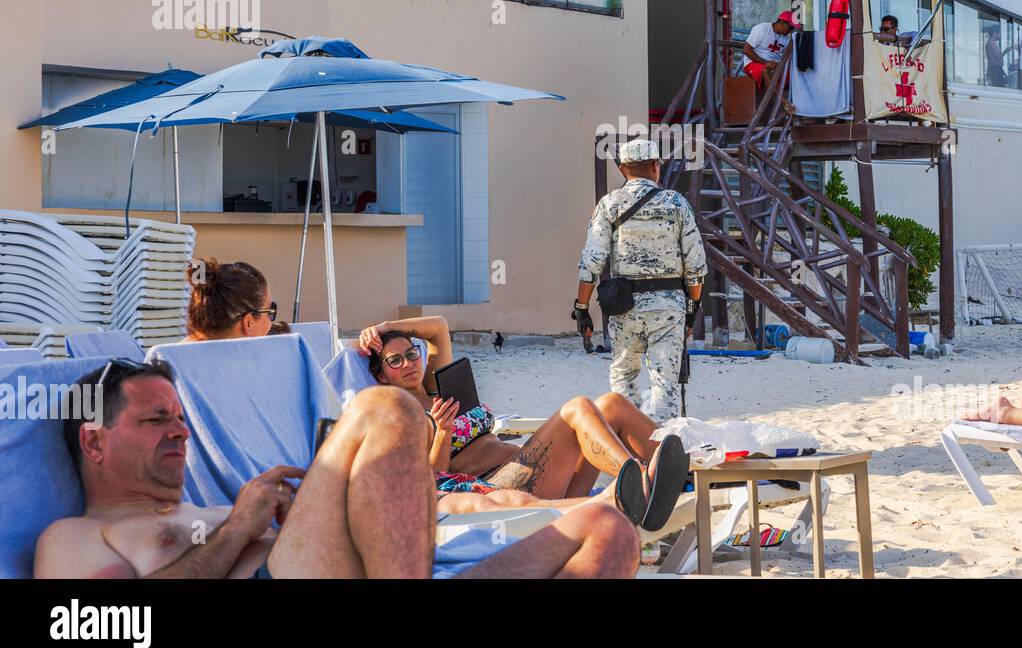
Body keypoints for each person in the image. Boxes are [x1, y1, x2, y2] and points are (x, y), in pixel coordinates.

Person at [34, 360, 639, 578]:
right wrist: (239, 530)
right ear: (93, 442)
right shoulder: (75, 538)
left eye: (179, 416)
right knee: (386, 408)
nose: (179, 430)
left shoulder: (196, 509)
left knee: (607, 531)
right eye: (154, 420)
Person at [354, 319, 687, 528]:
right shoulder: (405, 413)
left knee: (611, 405)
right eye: (394, 361)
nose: (408, 364)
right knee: (577, 408)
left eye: (411, 354)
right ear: (381, 375)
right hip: (504, 487)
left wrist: (382, 329)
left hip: (534, 471)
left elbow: (438, 326)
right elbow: (433, 479)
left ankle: (687, 477)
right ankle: (638, 483)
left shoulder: (439, 386)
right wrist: (442, 432)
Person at [575, 139, 707, 424]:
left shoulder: (609, 204)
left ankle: (627, 440)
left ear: (623, 169)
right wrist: (692, 307)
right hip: (668, 307)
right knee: (664, 381)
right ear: (655, 167)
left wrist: (582, 307)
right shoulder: (676, 204)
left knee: (623, 375)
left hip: (624, 306)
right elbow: (696, 267)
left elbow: (591, 263)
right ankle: (660, 447)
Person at [182, 258, 275, 342]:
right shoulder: (259, 359)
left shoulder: (173, 356)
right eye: (270, 311)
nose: (272, 322)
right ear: (248, 322)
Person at [742, 10, 799, 89]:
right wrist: (765, 63)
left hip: (773, 67)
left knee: (795, 77)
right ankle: (782, 100)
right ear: (782, 23)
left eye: (793, 29)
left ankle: (780, 99)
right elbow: (746, 50)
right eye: (791, 28)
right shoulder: (762, 29)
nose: (791, 31)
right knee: (766, 70)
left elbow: (789, 57)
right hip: (752, 64)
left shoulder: (786, 39)